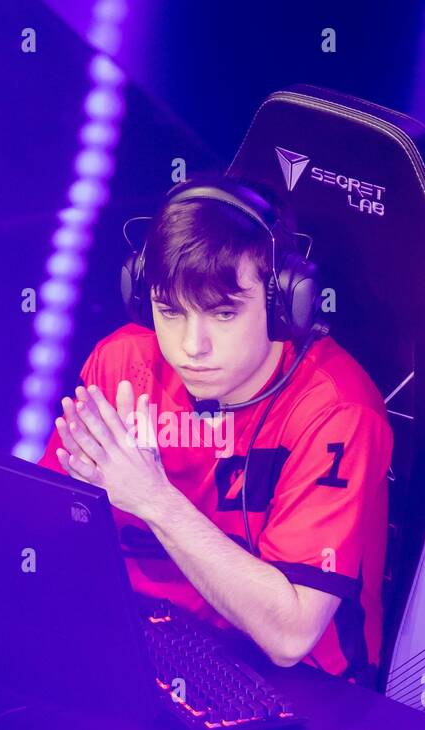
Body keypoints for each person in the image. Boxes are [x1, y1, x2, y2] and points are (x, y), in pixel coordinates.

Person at [36, 174, 394, 683]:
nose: (191, 347)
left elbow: (290, 637)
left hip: (295, 689)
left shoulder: (338, 412)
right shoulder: (121, 363)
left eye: (223, 314)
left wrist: (153, 499)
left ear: (281, 305)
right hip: (144, 641)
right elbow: (44, 525)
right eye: (169, 311)